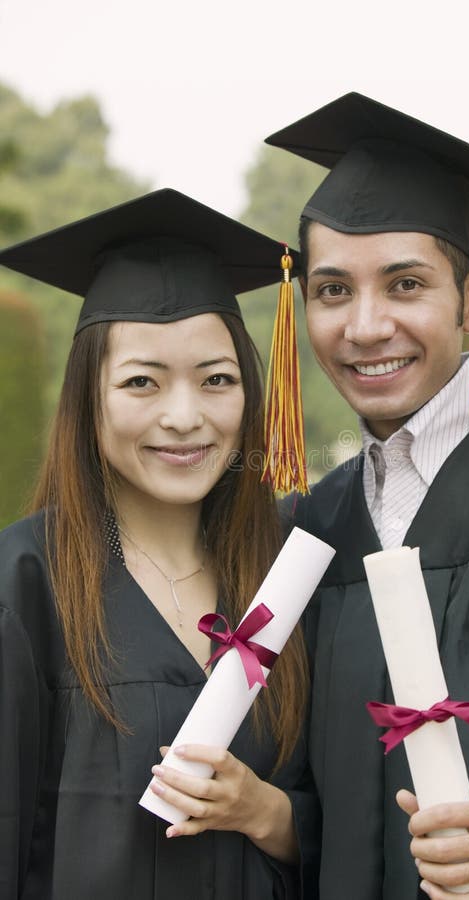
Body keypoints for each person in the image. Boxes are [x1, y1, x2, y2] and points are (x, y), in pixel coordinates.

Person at [267, 93, 469, 899]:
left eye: (405, 284)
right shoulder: (308, 530)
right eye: (333, 290)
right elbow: (318, 802)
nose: (366, 326)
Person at [0, 189, 319, 900]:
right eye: (142, 381)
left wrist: (269, 814)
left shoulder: (288, 577)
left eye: (217, 381)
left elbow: (354, 823)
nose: (185, 417)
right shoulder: (24, 584)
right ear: (90, 399)